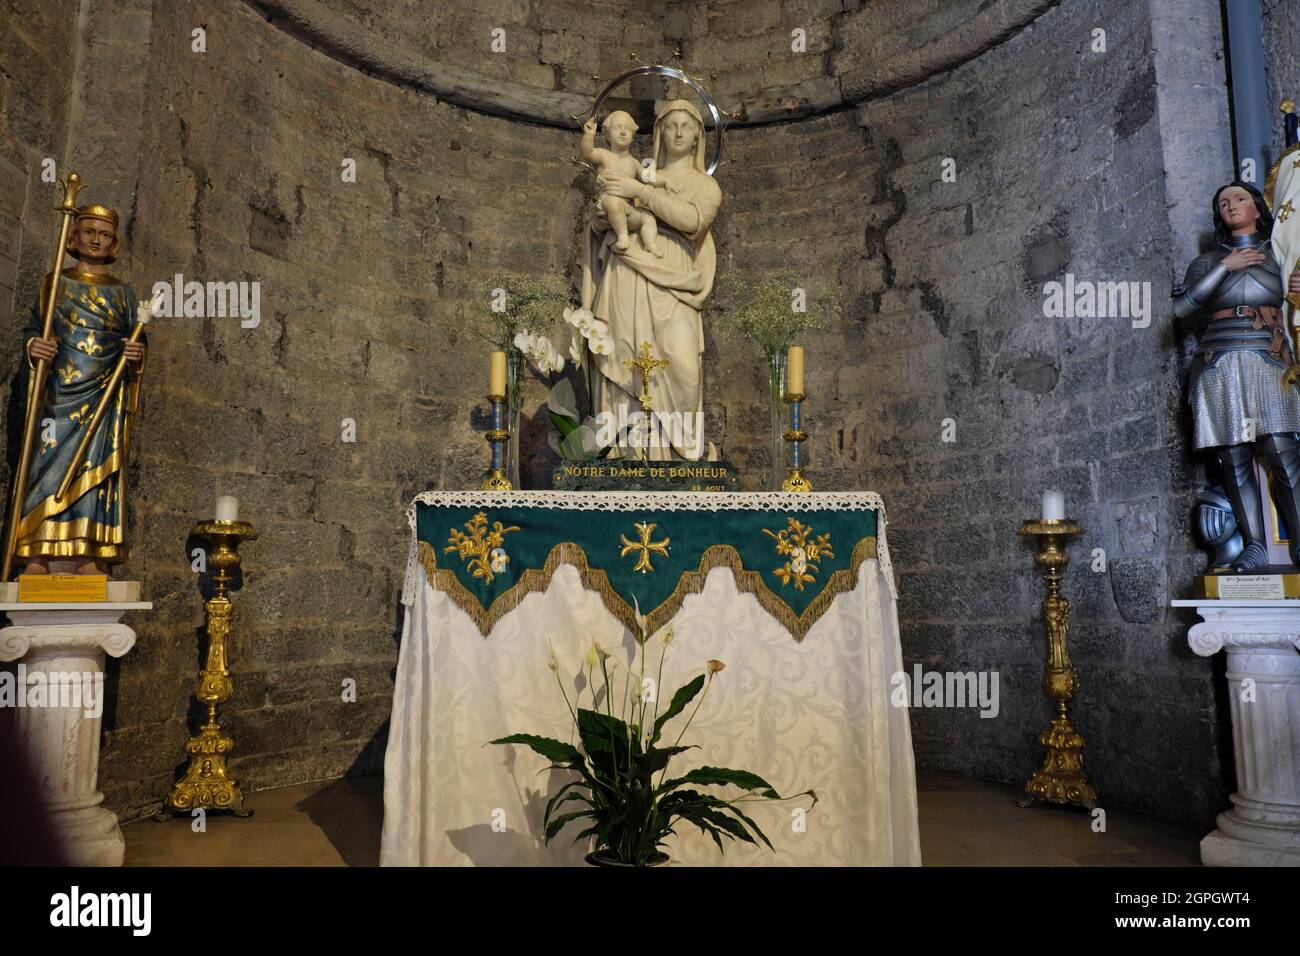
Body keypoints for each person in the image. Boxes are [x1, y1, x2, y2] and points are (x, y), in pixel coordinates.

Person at [580, 99, 722, 461]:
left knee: (683, 363)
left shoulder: (706, 187)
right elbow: (607, 215)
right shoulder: (635, 172)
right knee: (625, 354)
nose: (677, 132)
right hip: (627, 270)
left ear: (697, 138)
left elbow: (691, 223)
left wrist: (639, 192)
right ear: (659, 133)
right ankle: (626, 450)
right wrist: (604, 220)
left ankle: (679, 451)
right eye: (670, 125)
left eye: (686, 126)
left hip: (675, 276)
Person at [1173, 181, 1300, 569]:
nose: (1231, 205)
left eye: (1239, 198)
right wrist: (1226, 266)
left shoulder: (1279, 252)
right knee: (1234, 457)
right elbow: (1180, 307)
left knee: (1281, 449)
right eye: (1224, 202)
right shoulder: (1209, 260)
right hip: (1220, 361)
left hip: (1269, 356)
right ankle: (1255, 543)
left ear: (1258, 209)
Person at [15, 203, 146, 576]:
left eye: (105, 235)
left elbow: (135, 342)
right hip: (58, 394)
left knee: (96, 474)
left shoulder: (123, 293)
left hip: (104, 395)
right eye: (89, 232)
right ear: (74, 236)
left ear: (113, 243)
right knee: (44, 468)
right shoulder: (55, 281)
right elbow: (34, 330)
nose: (96, 240)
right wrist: (33, 347)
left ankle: (90, 552)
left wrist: (136, 355)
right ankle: (34, 552)